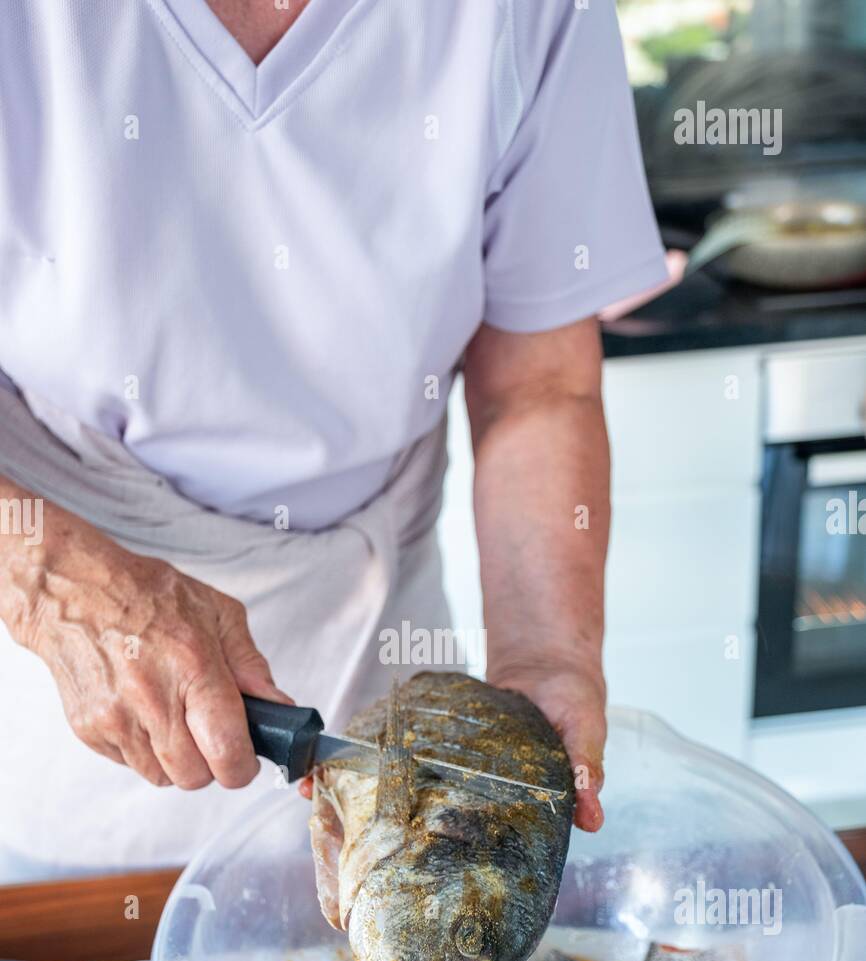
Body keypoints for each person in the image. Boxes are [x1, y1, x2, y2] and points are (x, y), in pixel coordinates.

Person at [0, 0, 667, 879]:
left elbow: (537, 389)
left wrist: (544, 654)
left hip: (387, 656)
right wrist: (49, 587)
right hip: (63, 714)